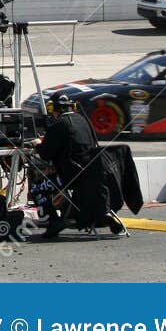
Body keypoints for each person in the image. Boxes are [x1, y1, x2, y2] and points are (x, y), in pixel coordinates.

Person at [35, 94, 123, 239]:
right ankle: (99, 216)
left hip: (71, 176)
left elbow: (45, 154)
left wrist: (38, 144)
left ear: (54, 109)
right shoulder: (84, 120)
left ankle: (54, 221)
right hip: (93, 173)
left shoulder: (58, 125)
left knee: (38, 187)